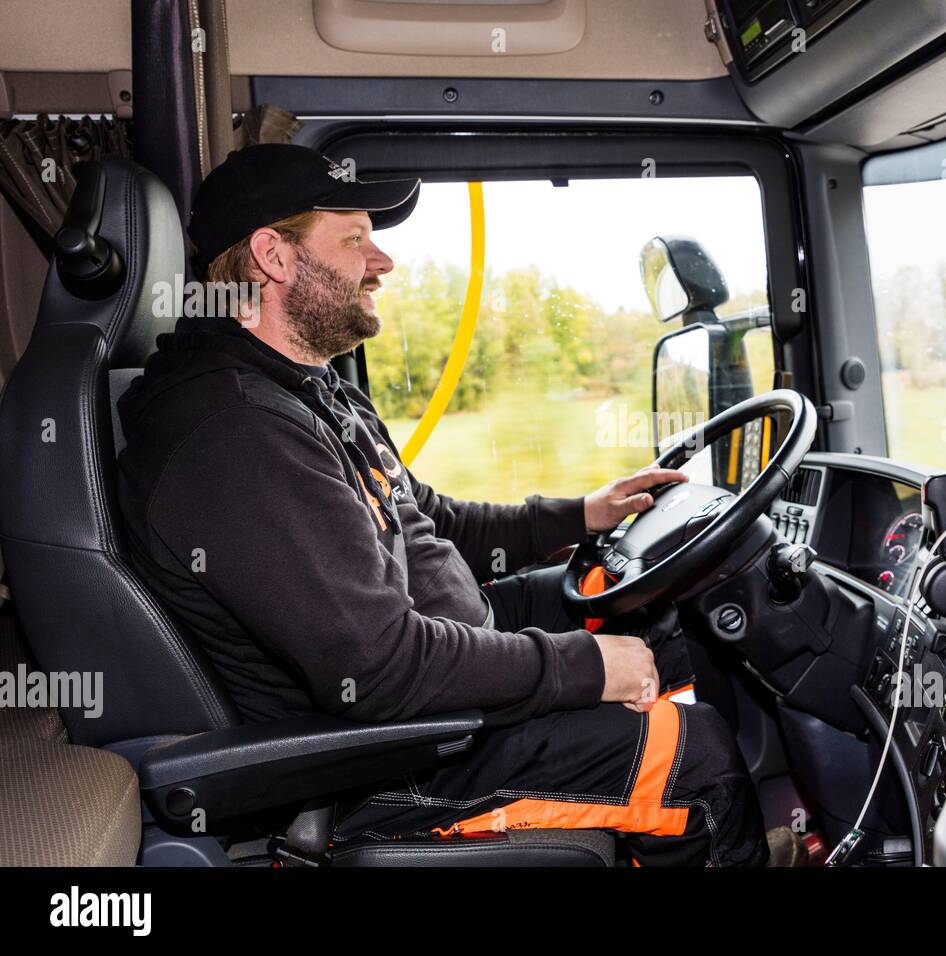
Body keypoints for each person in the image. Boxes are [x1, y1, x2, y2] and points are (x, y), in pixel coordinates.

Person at [115, 144, 784, 866]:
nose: (383, 261)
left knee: (665, 614)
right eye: (355, 239)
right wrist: (581, 669)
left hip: (451, 661)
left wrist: (581, 514)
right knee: (698, 757)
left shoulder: (306, 385)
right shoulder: (234, 433)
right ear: (273, 258)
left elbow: (425, 517)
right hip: (391, 759)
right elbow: (380, 669)